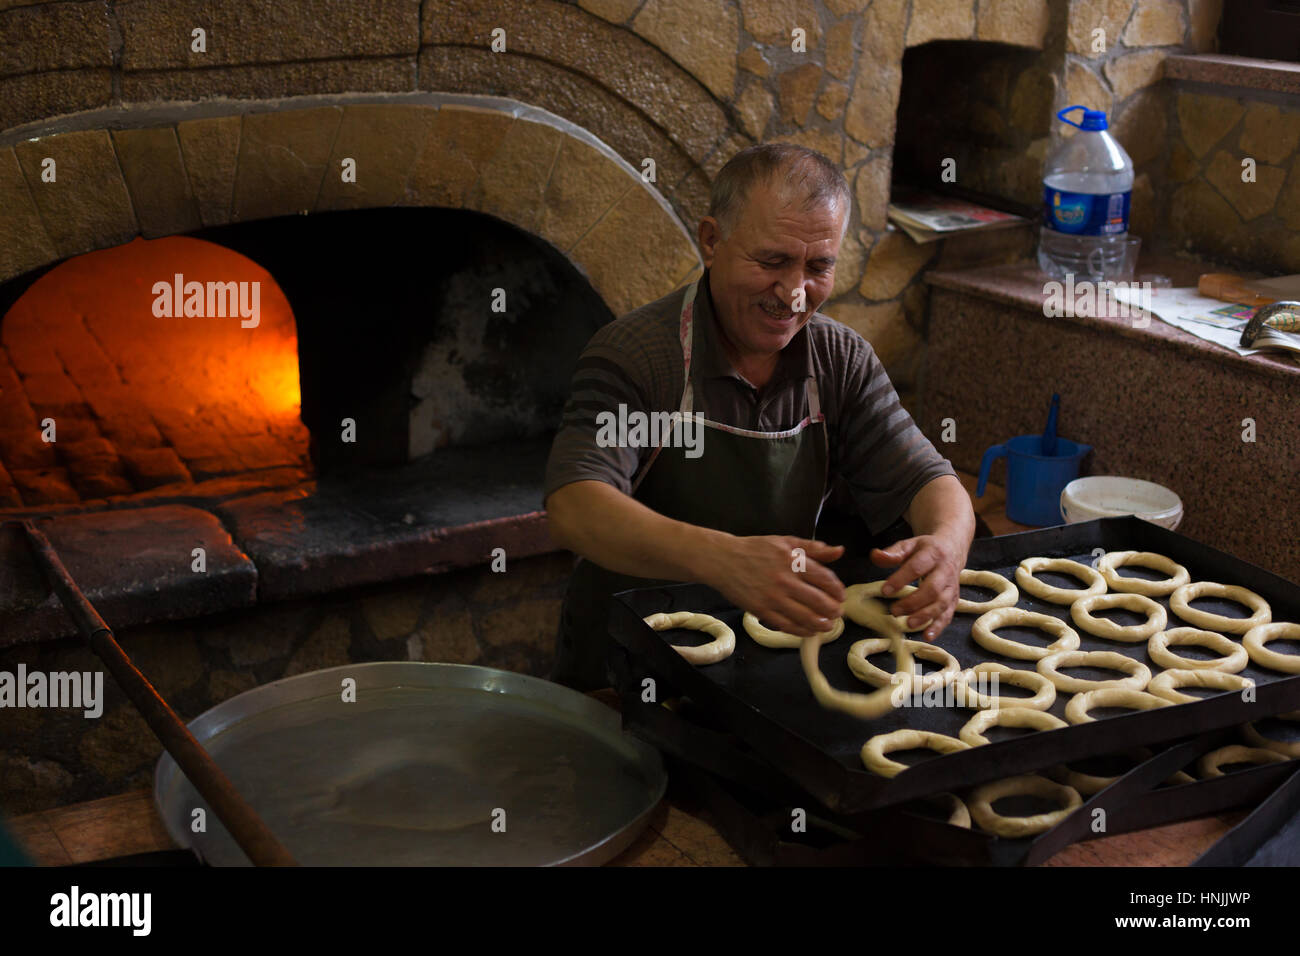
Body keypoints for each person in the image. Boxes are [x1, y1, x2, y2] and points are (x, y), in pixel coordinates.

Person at [544, 143, 975, 690]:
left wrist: (946, 546)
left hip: (764, 668)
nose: (794, 293)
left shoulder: (838, 361)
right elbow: (575, 505)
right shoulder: (639, 356)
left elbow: (930, 479)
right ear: (712, 240)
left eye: (818, 267)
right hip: (627, 666)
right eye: (772, 261)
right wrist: (724, 560)